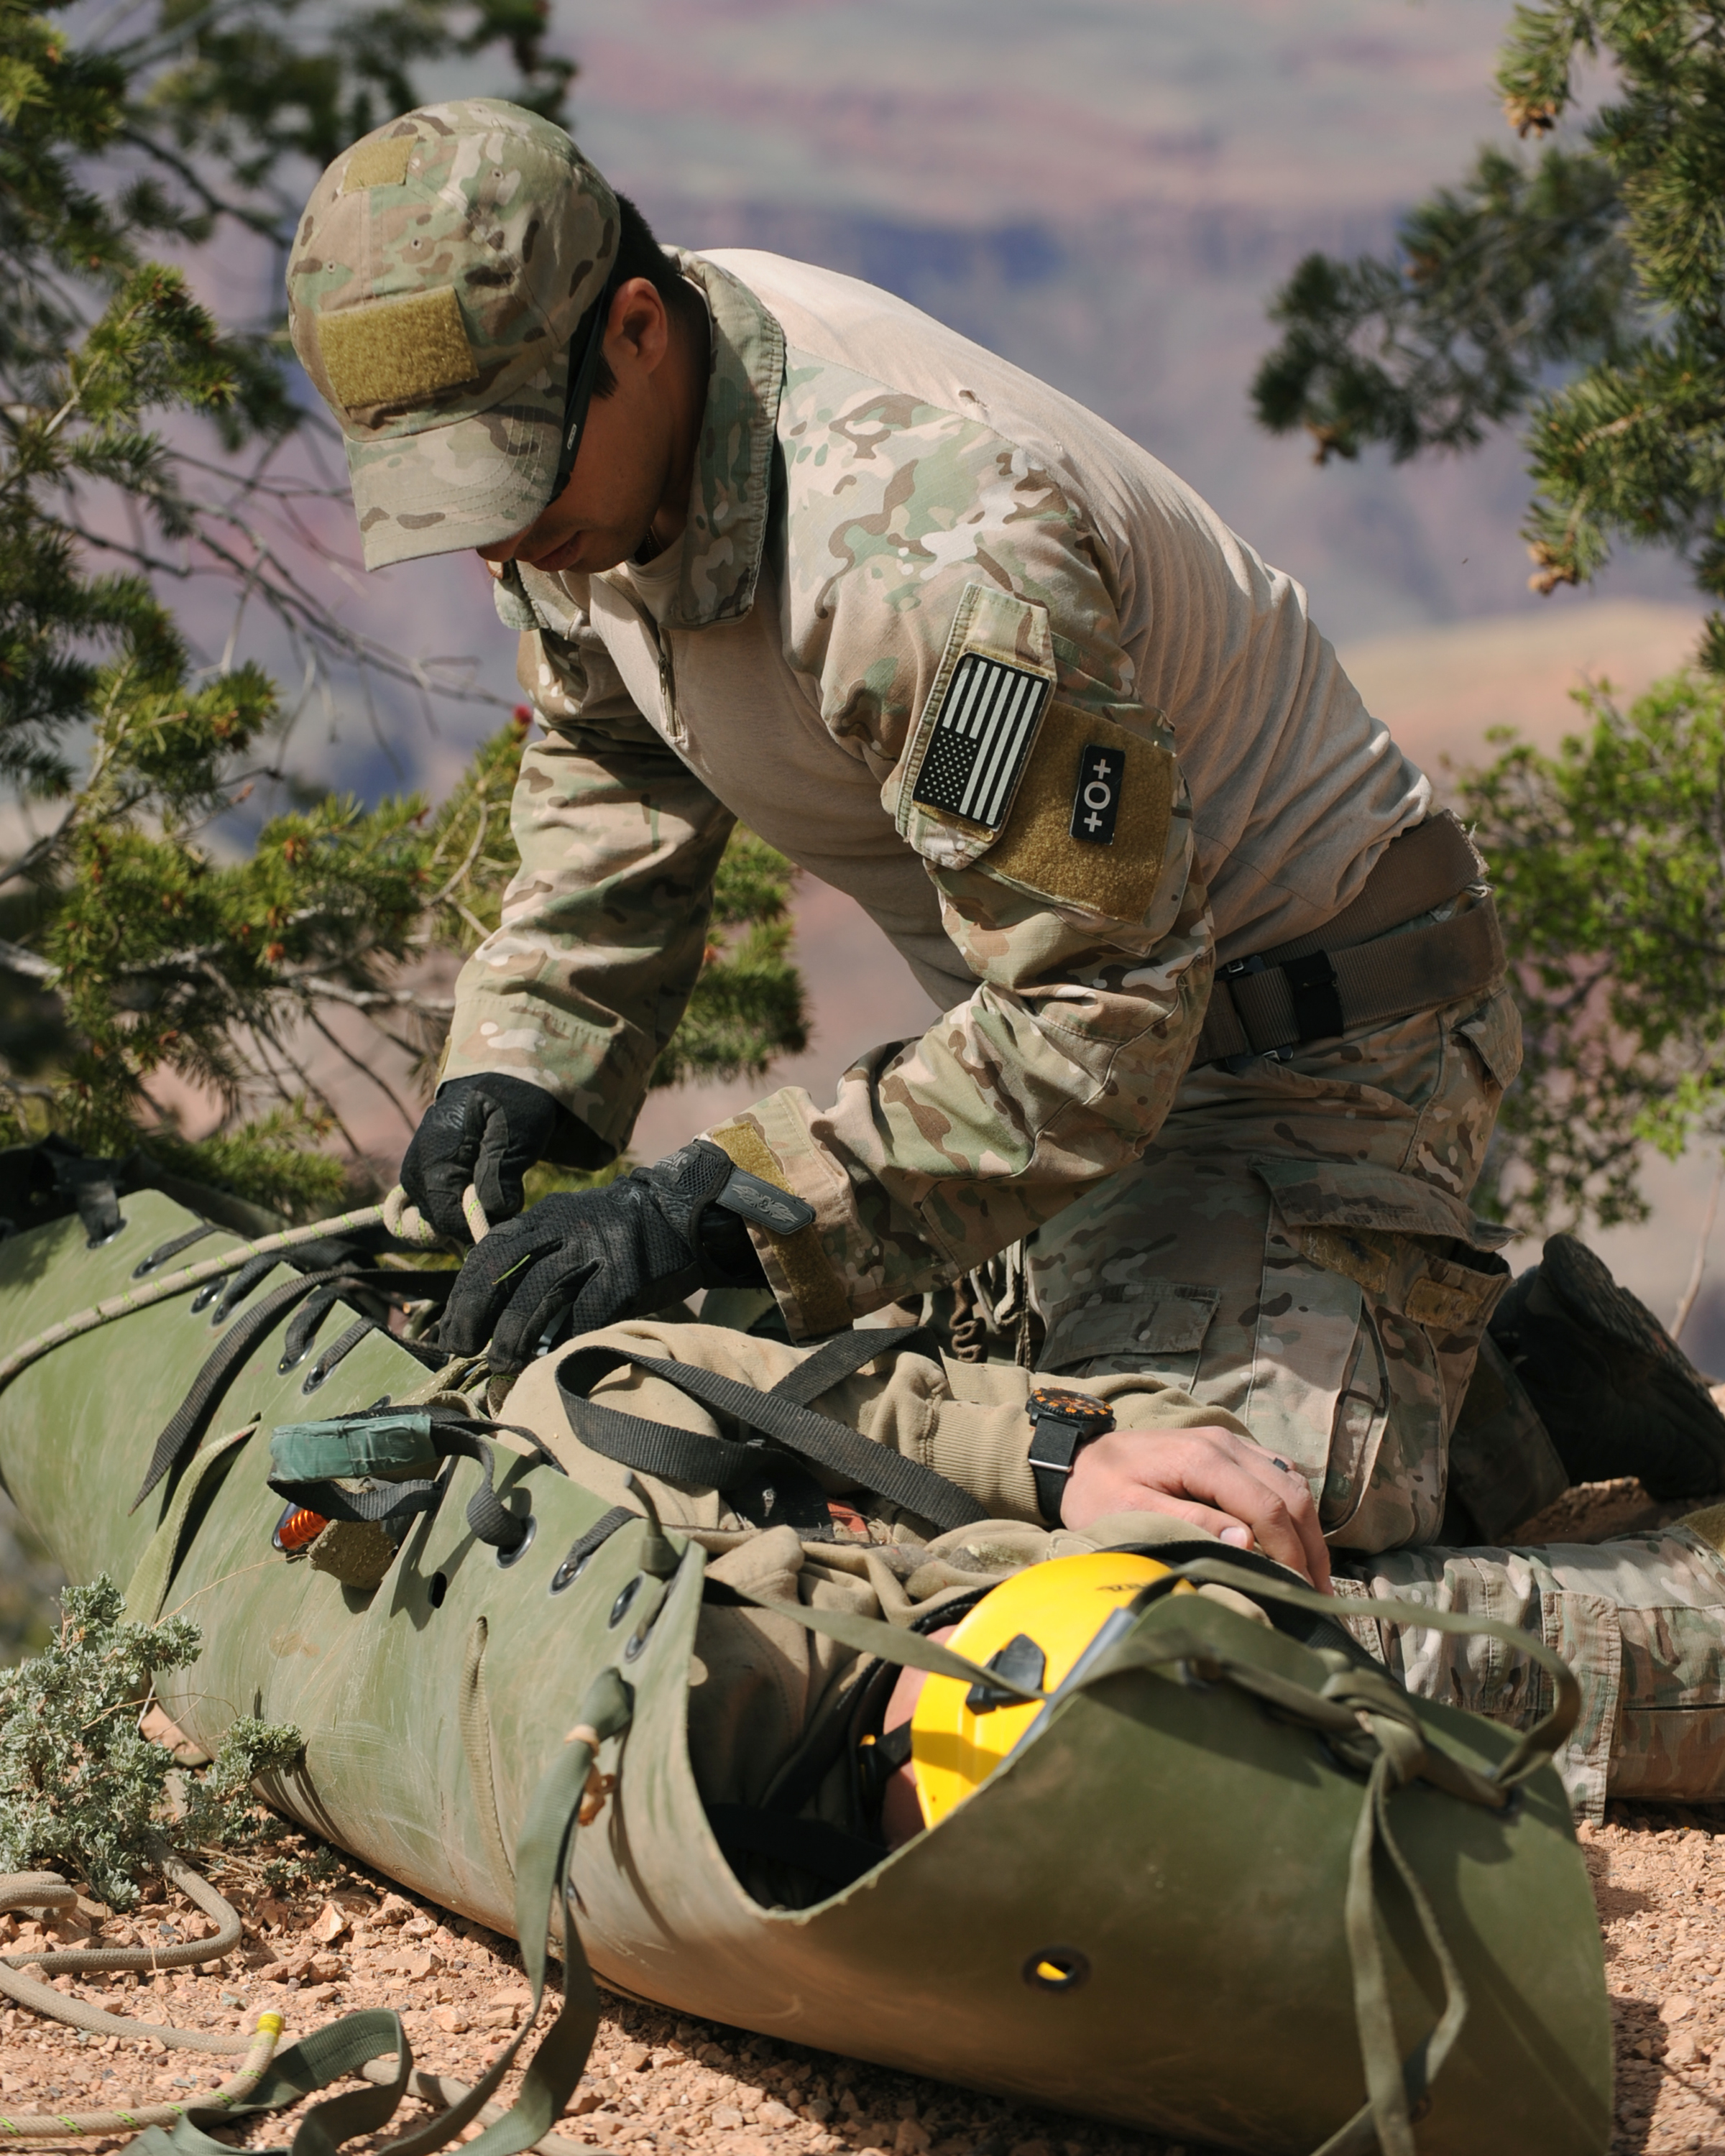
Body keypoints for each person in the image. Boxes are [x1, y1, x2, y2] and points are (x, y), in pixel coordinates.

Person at [288, 96, 1725, 1818]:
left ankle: (1661, 1616)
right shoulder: (590, 474)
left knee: (1165, 1605)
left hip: (1303, 1061)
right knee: (825, 1453)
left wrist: (706, 1200)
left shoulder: (922, 546)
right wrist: (528, 1065)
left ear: (638, 333)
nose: (502, 544)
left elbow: (1100, 1026)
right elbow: (613, 743)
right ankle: (1492, 1401)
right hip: (1088, 1054)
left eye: (515, 480)